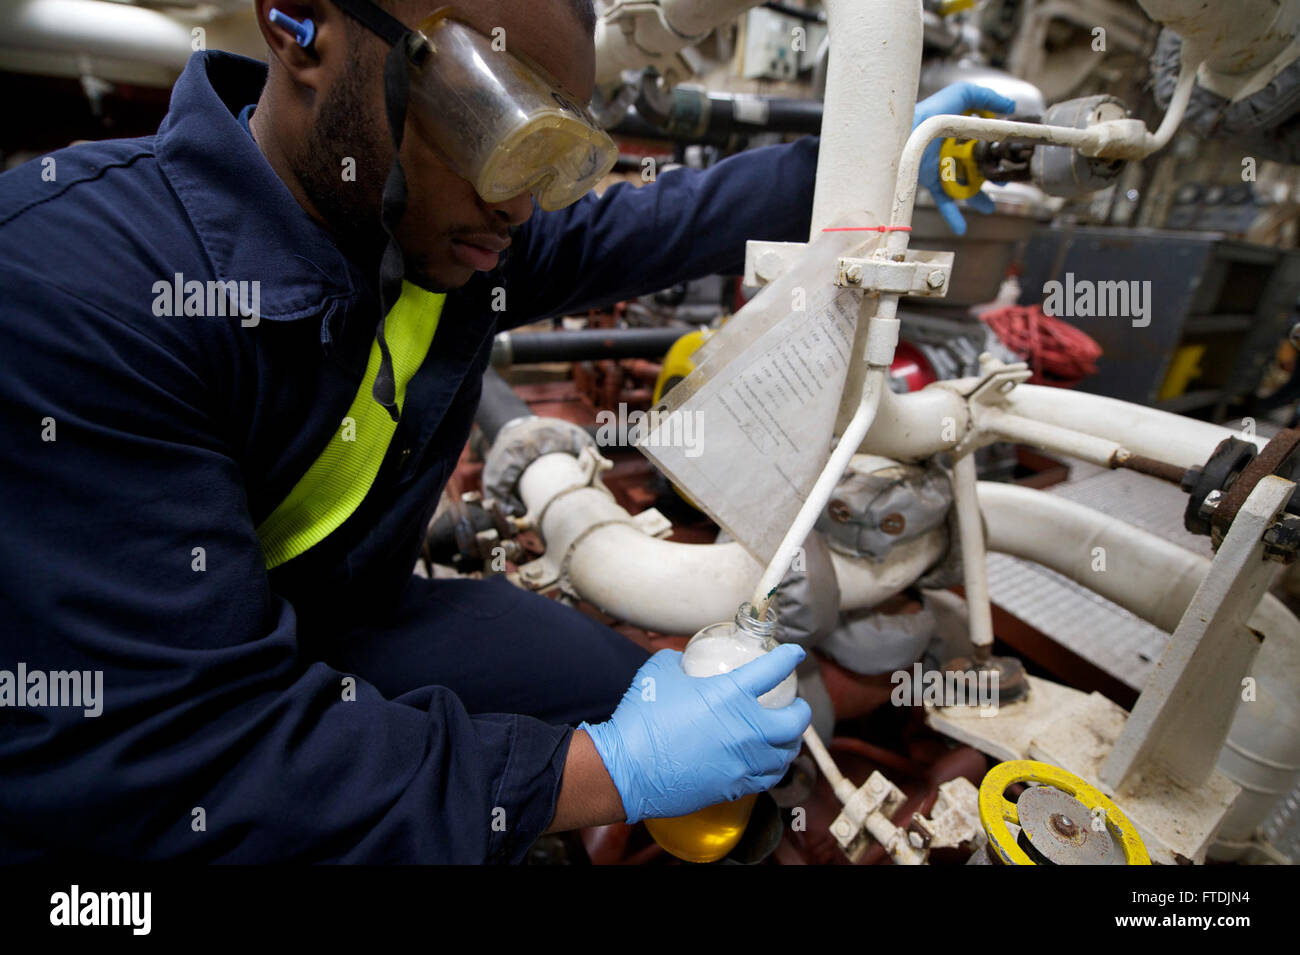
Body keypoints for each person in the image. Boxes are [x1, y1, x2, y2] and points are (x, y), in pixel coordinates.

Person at [0, 0, 1013, 863]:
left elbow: (647, 223)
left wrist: (872, 159)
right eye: (495, 123)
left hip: (336, 617)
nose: (520, 204)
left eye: (556, 150)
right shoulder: (75, 286)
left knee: (611, 687)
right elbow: (188, 753)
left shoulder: (439, 232)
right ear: (300, 27)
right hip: (138, 736)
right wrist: (599, 776)